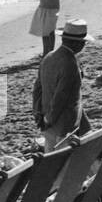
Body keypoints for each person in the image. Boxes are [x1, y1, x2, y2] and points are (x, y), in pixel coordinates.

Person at [33, 19, 90, 150]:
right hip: (63, 126)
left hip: (48, 120)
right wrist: (50, 119)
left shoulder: (48, 57)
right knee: (63, 162)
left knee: (50, 156)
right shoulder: (70, 63)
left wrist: (39, 114)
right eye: (83, 42)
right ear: (77, 43)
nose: (84, 45)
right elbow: (61, 96)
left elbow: (37, 89)